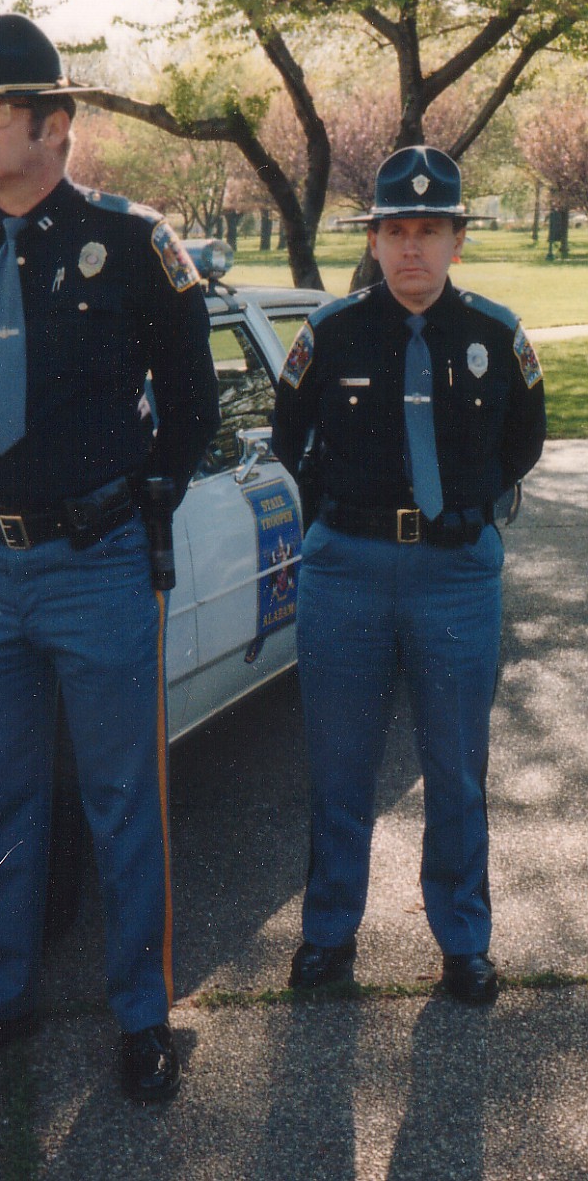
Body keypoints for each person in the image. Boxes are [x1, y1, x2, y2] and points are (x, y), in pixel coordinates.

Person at [0, 13, 219, 1100]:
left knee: (123, 794)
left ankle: (143, 1015)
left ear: (57, 125)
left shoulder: (134, 247)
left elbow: (191, 404)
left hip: (95, 564)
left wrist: (139, 501)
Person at [272, 146, 546, 1005]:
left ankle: (463, 943)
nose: (412, 249)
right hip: (346, 571)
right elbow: (290, 439)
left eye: (430, 231)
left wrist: (459, 510)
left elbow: (523, 444)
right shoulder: (332, 332)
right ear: (376, 240)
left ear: (456, 240)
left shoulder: (494, 337)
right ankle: (327, 939)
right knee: (339, 770)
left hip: (455, 574)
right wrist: (345, 522)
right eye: (396, 231)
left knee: (456, 772)